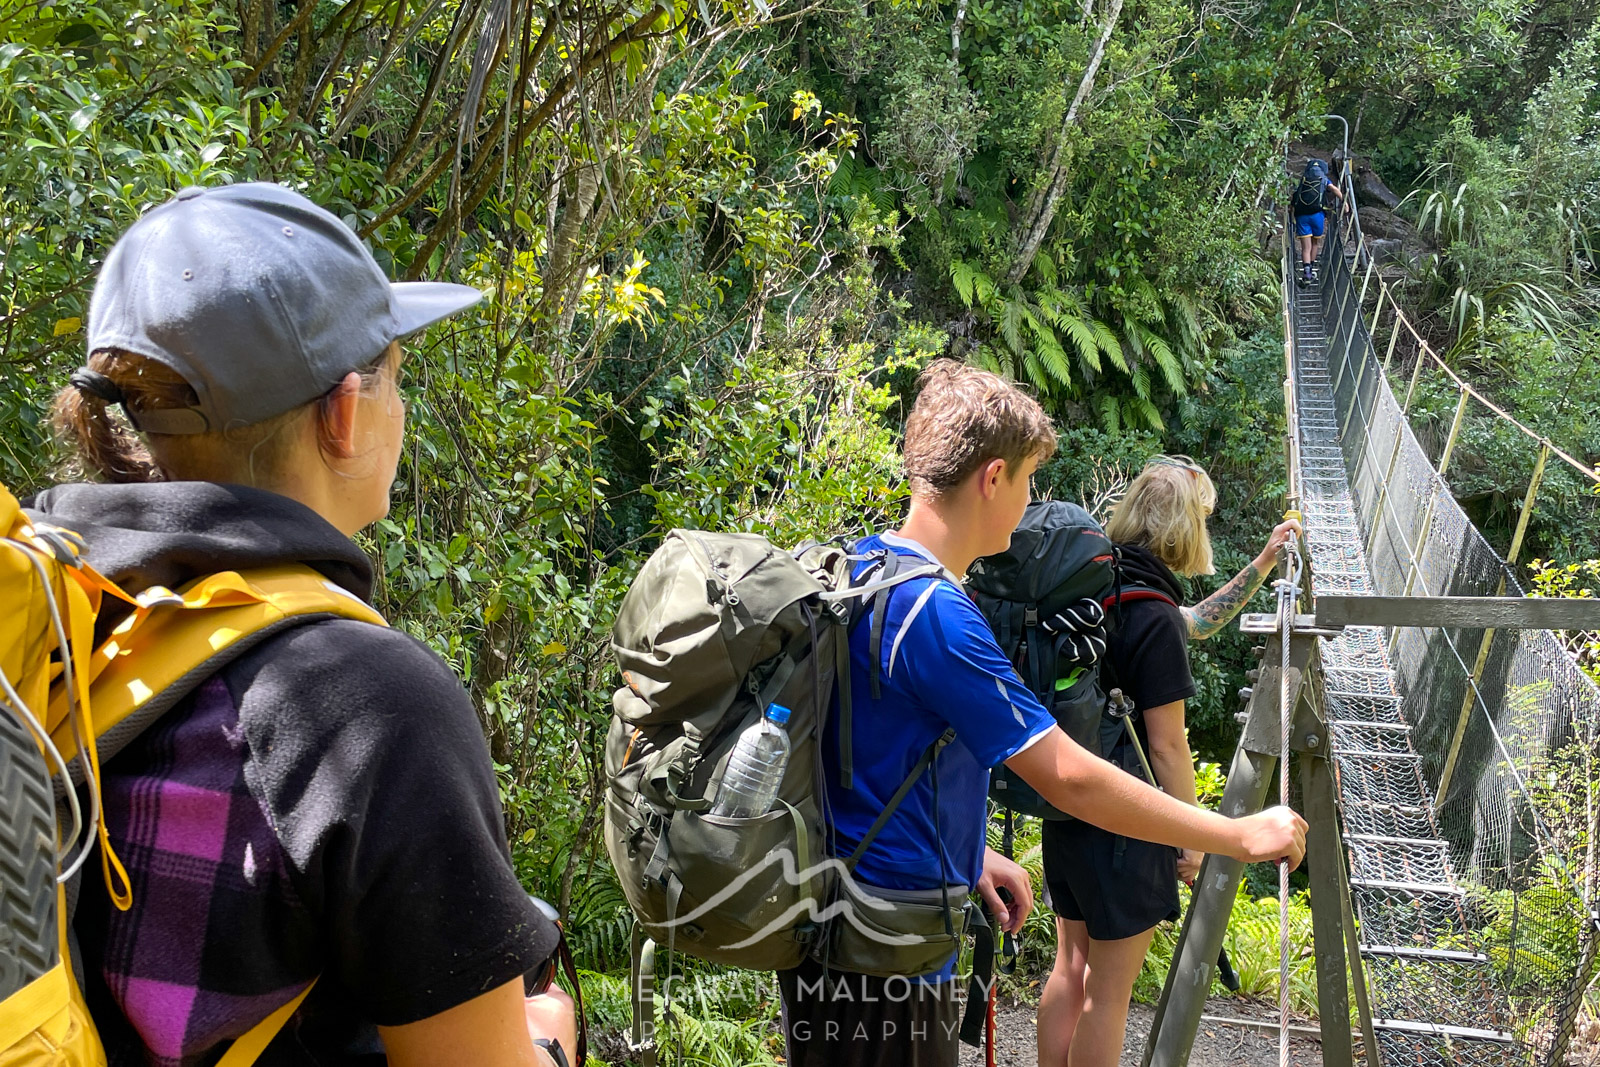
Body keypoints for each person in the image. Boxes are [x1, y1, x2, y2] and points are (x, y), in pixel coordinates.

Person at [31, 183, 577, 1066]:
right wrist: (548, 1042)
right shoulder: (367, 706)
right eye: (399, 375)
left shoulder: (60, 612)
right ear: (346, 413)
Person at [777, 364, 1308, 1067]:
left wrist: (972, 856)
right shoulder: (937, 614)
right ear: (992, 478)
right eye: (1028, 480)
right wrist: (1235, 833)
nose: (1030, 503)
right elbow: (1069, 777)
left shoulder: (865, 566)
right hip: (886, 953)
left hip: (834, 933)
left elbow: (862, 757)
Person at [1035, 454, 1301, 1067]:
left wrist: (1262, 561)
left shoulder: (1098, 587)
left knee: (1070, 968)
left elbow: (1200, 620)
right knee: (1110, 993)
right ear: (1187, 528)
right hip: (1128, 819)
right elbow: (1167, 745)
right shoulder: (1154, 616)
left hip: (1069, 802)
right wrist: (1193, 839)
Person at [1292, 157, 1344, 288]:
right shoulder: (1323, 179)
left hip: (1301, 216)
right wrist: (1345, 202)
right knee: (1315, 243)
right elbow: (1335, 190)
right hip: (1317, 215)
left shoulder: (1303, 179)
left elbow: (1295, 197)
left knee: (1305, 247)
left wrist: (1291, 212)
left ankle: (1307, 273)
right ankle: (1312, 268)